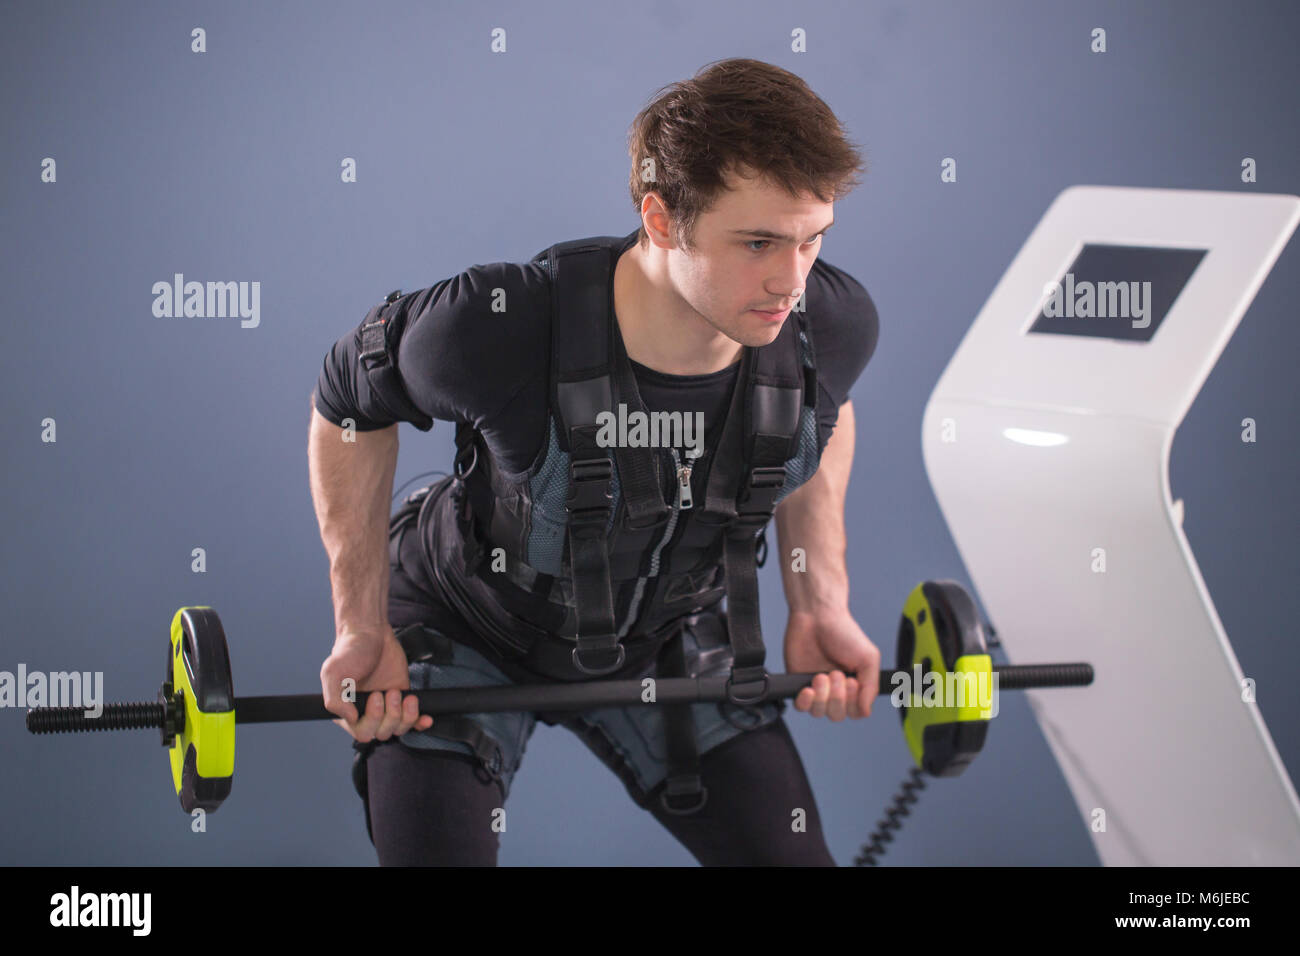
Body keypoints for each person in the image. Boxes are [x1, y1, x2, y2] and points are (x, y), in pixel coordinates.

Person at [307, 57, 881, 865]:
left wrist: (820, 601)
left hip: (665, 636)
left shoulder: (830, 325)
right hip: (464, 625)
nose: (792, 279)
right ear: (660, 217)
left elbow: (827, 412)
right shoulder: (498, 327)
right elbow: (347, 402)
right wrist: (359, 622)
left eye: (812, 238)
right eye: (758, 242)